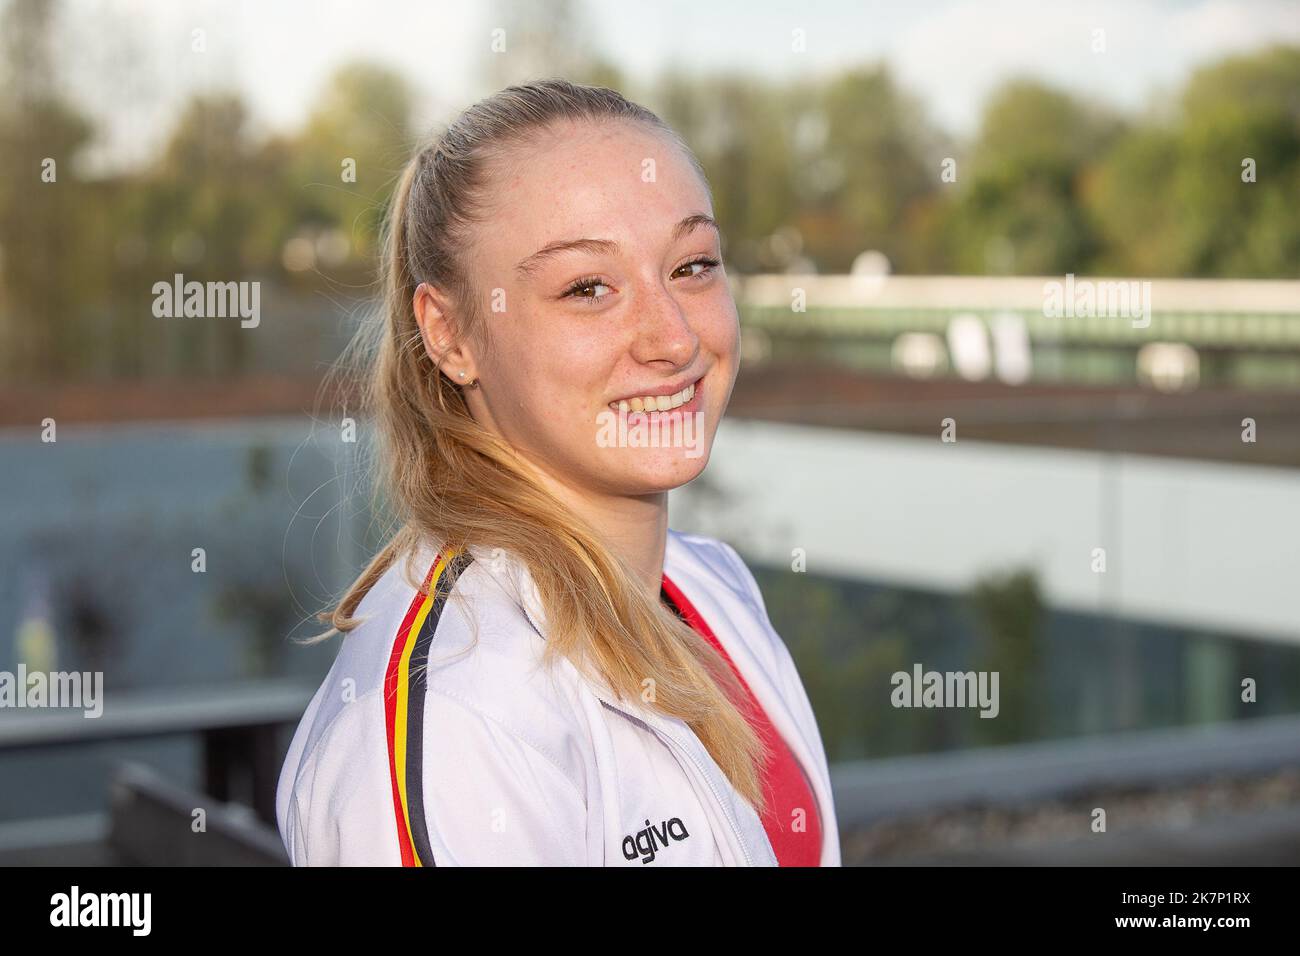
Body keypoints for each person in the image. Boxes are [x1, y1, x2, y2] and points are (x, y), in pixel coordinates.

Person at [275, 78, 840, 866]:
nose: (673, 338)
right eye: (587, 287)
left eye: (693, 265)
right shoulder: (460, 710)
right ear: (450, 335)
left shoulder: (717, 591)